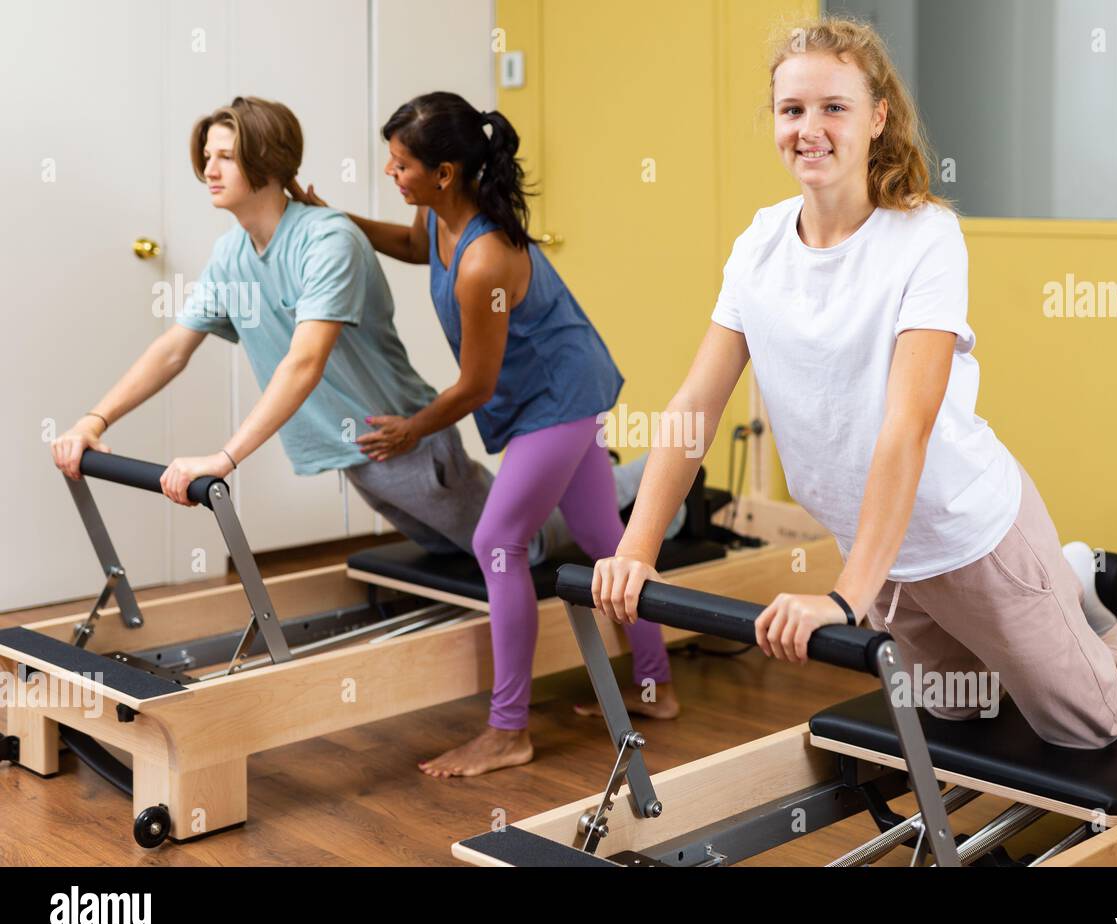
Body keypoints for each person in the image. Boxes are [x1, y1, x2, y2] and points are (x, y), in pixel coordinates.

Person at [589, 17, 1117, 751]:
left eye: (834, 108)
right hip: (883, 553)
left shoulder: (924, 237)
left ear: (877, 118)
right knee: (957, 711)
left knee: (1087, 720)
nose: (810, 129)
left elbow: (906, 426)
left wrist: (845, 597)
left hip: (967, 535)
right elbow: (696, 404)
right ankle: (1069, 582)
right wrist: (637, 548)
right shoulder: (759, 245)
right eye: (792, 110)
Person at [48, 95, 683, 589]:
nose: (207, 169)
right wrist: (94, 418)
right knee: (451, 550)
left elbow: (304, 361)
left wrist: (224, 457)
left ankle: (654, 494)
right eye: (206, 155)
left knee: (526, 543)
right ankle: (610, 480)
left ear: (267, 162)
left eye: (224, 156)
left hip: (405, 443)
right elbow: (175, 348)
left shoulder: (325, 243)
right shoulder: (233, 253)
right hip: (354, 454)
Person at [296, 92, 678, 777]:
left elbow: (475, 385)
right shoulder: (439, 217)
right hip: (559, 385)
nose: (391, 171)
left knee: (498, 542)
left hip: (559, 399)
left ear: (445, 172)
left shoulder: (485, 262)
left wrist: (412, 430)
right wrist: (334, 217)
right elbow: (415, 246)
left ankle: (508, 731)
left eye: (401, 162)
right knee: (601, 540)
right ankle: (656, 689)